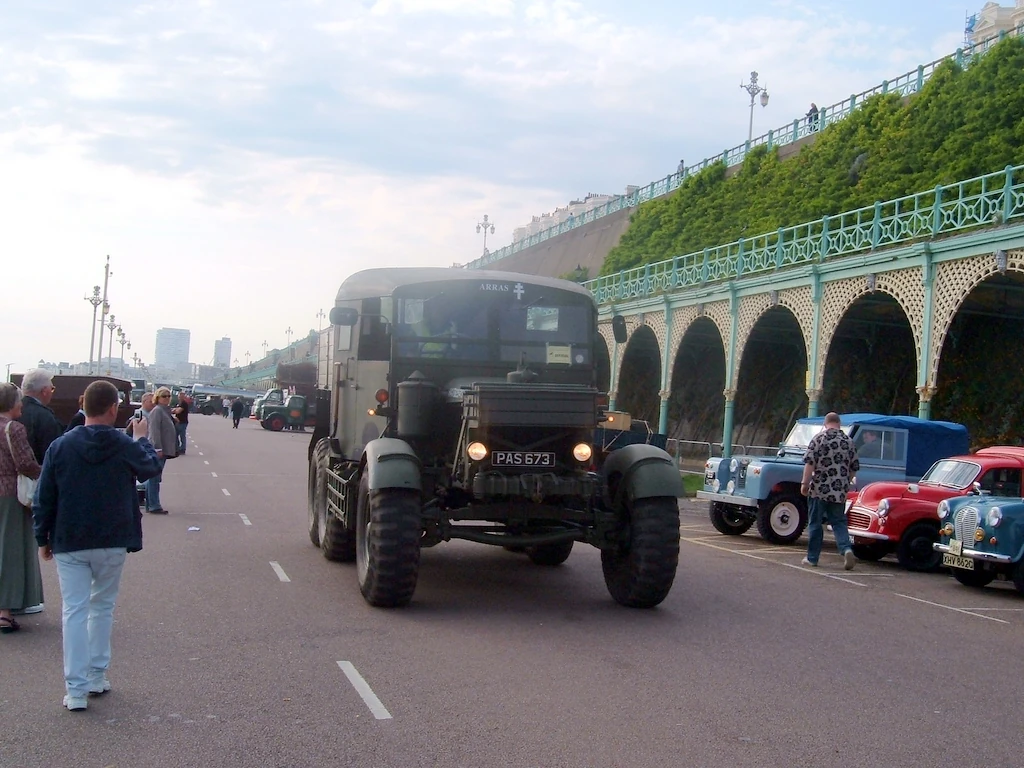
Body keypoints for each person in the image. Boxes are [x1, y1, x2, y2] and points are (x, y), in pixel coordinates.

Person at [33, 380, 162, 711]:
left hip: (70, 537)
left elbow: (44, 496)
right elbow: (150, 468)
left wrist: (42, 537)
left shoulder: (60, 446)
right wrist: (143, 438)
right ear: (113, 409)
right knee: (101, 607)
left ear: (85, 406)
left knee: (74, 610)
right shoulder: (123, 444)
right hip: (112, 537)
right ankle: (96, 675)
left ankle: (75, 690)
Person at [15, 367, 62, 615]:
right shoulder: (44, 417)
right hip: (30, 487)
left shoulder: (13, 415)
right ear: (44, 390)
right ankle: (17, 600)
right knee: (23, 544)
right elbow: (52, 456)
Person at [0, 383, 44, 633]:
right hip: (8, 495)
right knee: (10, 550)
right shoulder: (13, 429)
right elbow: (26, 462)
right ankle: (5, 611)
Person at [800, 412, 859, 570]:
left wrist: (804, 483)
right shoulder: (848, 441)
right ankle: (846, 549)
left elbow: (809, 463)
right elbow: (854, 468)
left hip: (819, 489)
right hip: (839, 491)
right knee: (839, 523)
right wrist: (845, 481)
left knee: (815, 523)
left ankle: (812, 558)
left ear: (825, 424)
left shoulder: (819, 438)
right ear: (839, 424)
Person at [17, 368, 64, 465]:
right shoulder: (45, 416)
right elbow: (53, 452)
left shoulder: (12, 410)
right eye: (52, 389)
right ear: (44, 391)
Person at [144, 387, 177, 514]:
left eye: (168, 396)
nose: (167, 398)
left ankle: (151, 504)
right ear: (157, 398)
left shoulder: (165, 411)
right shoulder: (157, 411)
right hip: (158, 449)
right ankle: (154, 505)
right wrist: (157, 448)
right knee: (154, 478)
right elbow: (154, 431)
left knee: (155, 477)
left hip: (165, 448)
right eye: (164, 396)